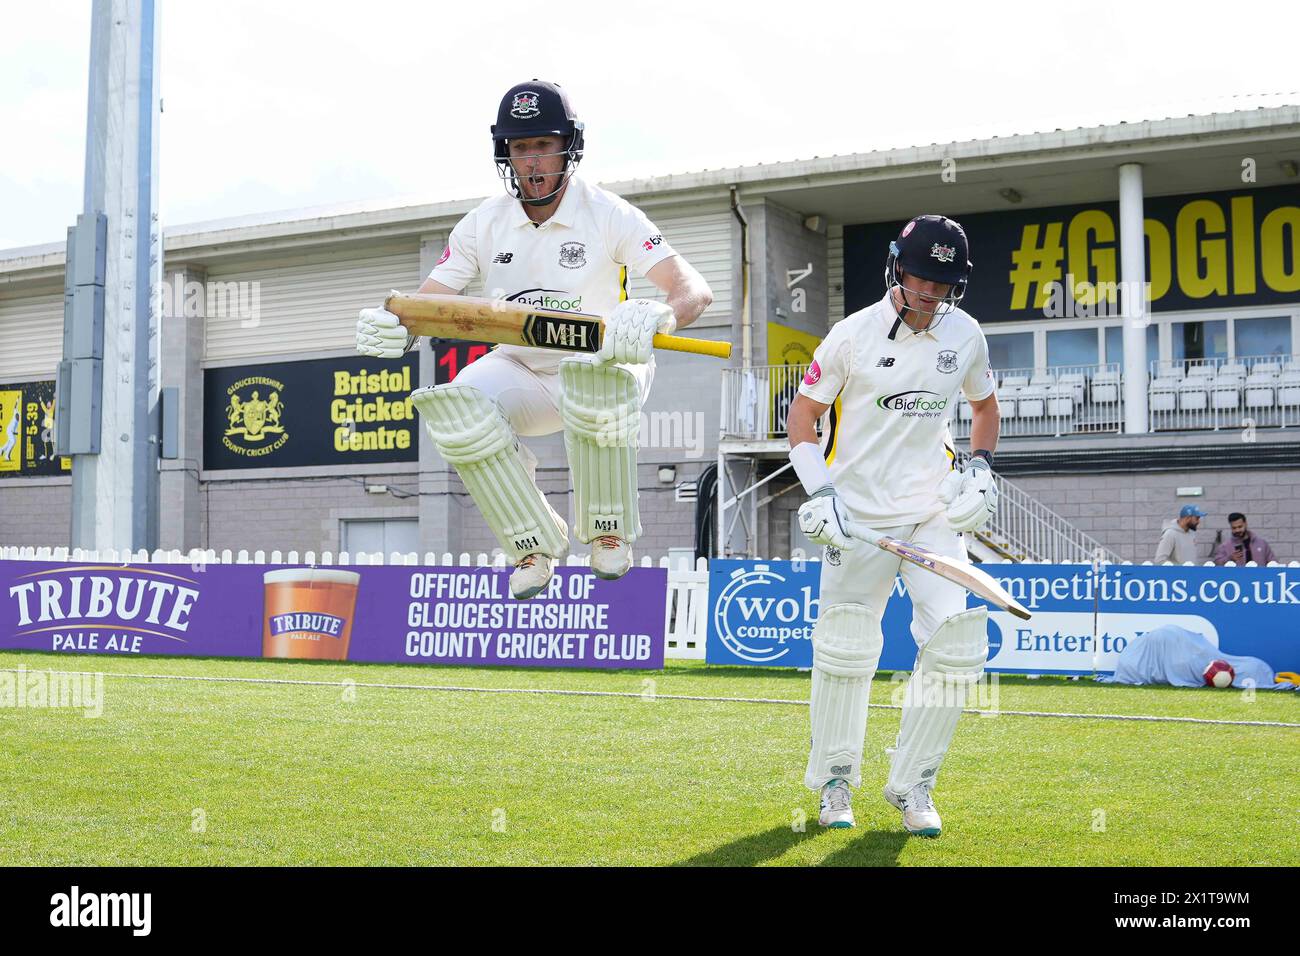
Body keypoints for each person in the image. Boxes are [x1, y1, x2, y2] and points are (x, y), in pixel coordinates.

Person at [355, 80, 712, 598]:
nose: (534, 160)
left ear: (569, 146)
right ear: (507, 154)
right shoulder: (483, 223)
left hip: (605, 362)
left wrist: (661, 315)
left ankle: (607, 532)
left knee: (595, 387)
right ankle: (532, 542)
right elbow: (429, 304)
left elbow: (693, 291)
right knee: (458, 407)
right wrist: (397, 323)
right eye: (522, 147)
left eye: (545, 143)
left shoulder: (609, 213)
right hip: (522, 368)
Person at [785, 214, 1000, 837]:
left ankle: (913, 784)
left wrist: (980, 470)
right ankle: (834, 781)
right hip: (855, 519)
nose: (930, 293)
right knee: (846, 647)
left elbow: (984, 408)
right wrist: (820, 493)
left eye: (944, 283)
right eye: (920, 277)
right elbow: (801, 421)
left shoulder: (965, 335)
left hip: (931, 512)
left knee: (958, 647)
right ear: (895, 269)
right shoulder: (850, 337)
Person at [1212, 512, 1276, 566]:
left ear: (1245, 524)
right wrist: (1230, 559)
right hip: (1236, 580)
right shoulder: (1225, 546)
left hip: (1260, 579)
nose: (1237, 530)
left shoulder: (1261, 543)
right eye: (1234, 528)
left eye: (1240, 527)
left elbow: (1273, 563)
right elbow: (1216, 563)